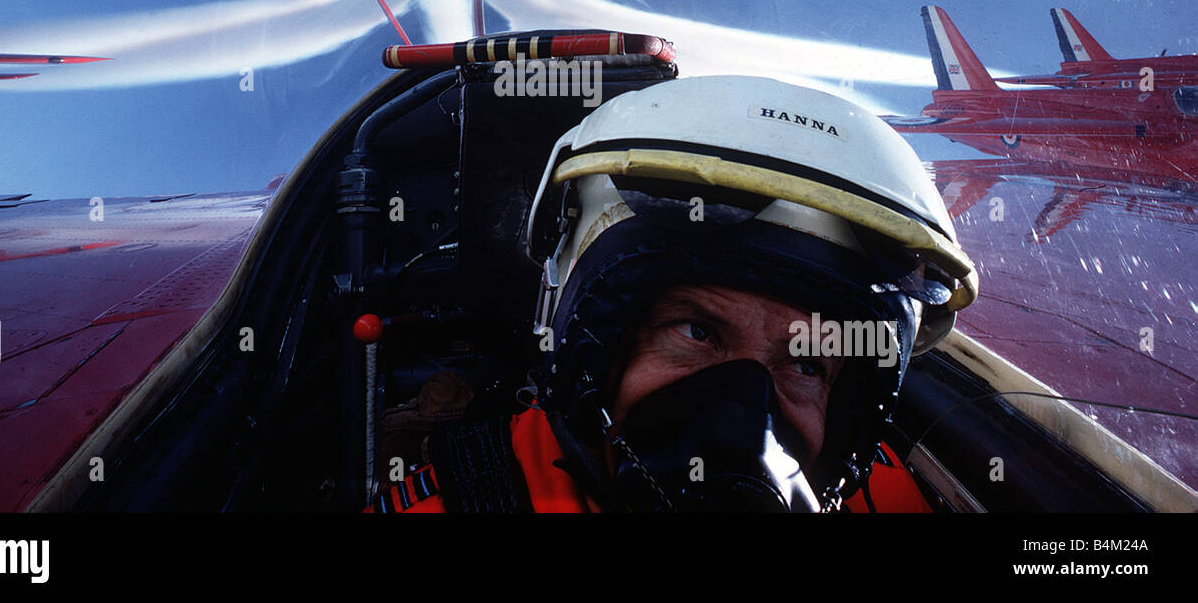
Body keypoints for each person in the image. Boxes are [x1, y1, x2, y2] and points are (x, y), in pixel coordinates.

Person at [368, 75, 977, 513]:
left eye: (805, 364)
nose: (743, 409)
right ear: (592, 348)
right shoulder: (468, 497)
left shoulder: (891, 494)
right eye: (698, 331)